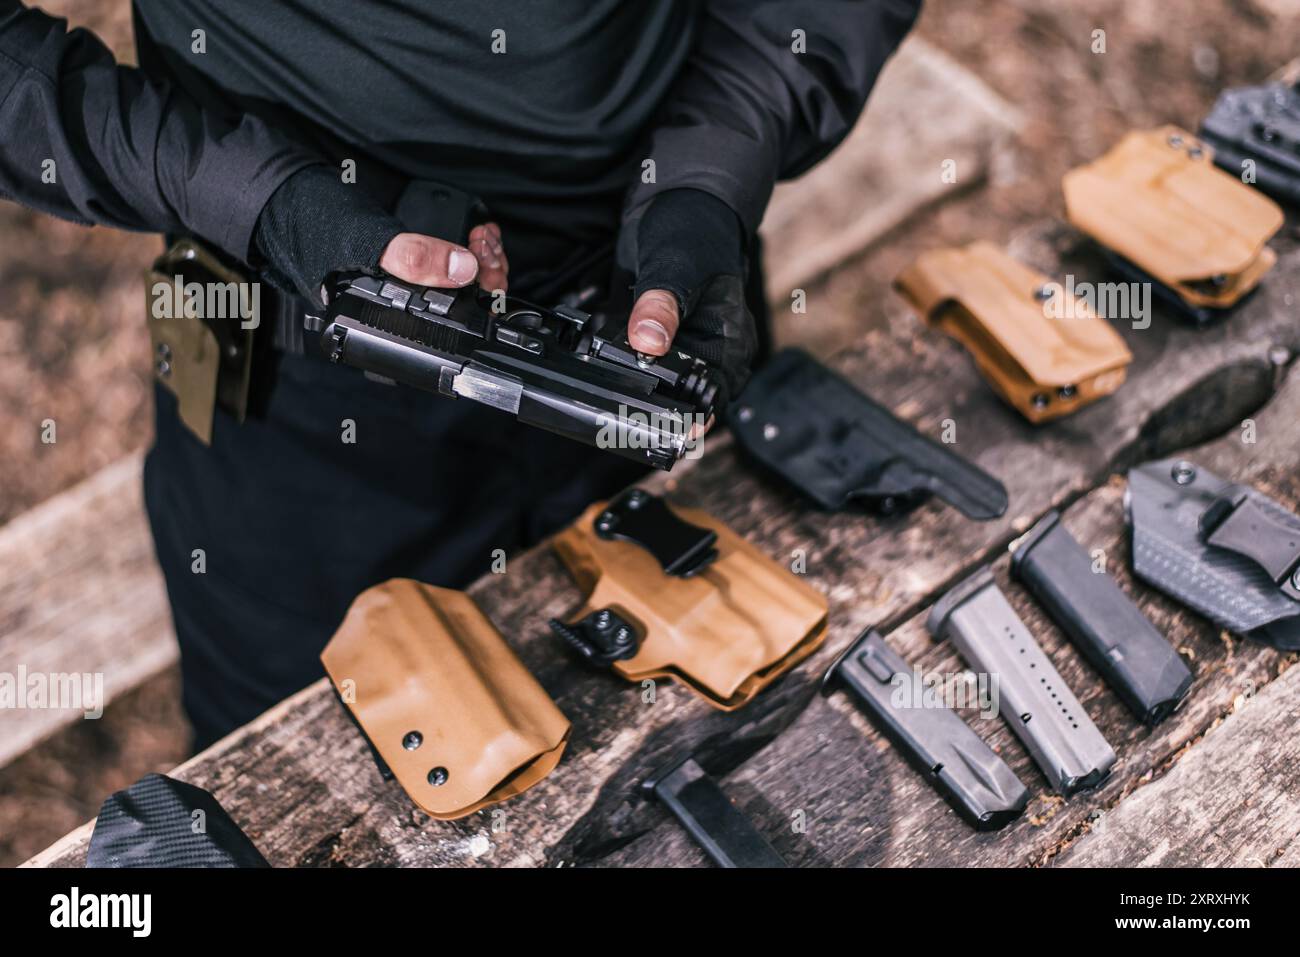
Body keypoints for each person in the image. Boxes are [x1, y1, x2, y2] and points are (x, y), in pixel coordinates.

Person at [0, 0, 921, 748]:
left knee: (705, 740)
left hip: (644, 331)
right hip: (297, 397)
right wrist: (257, 199)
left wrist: (714, 162)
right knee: (302, 788)